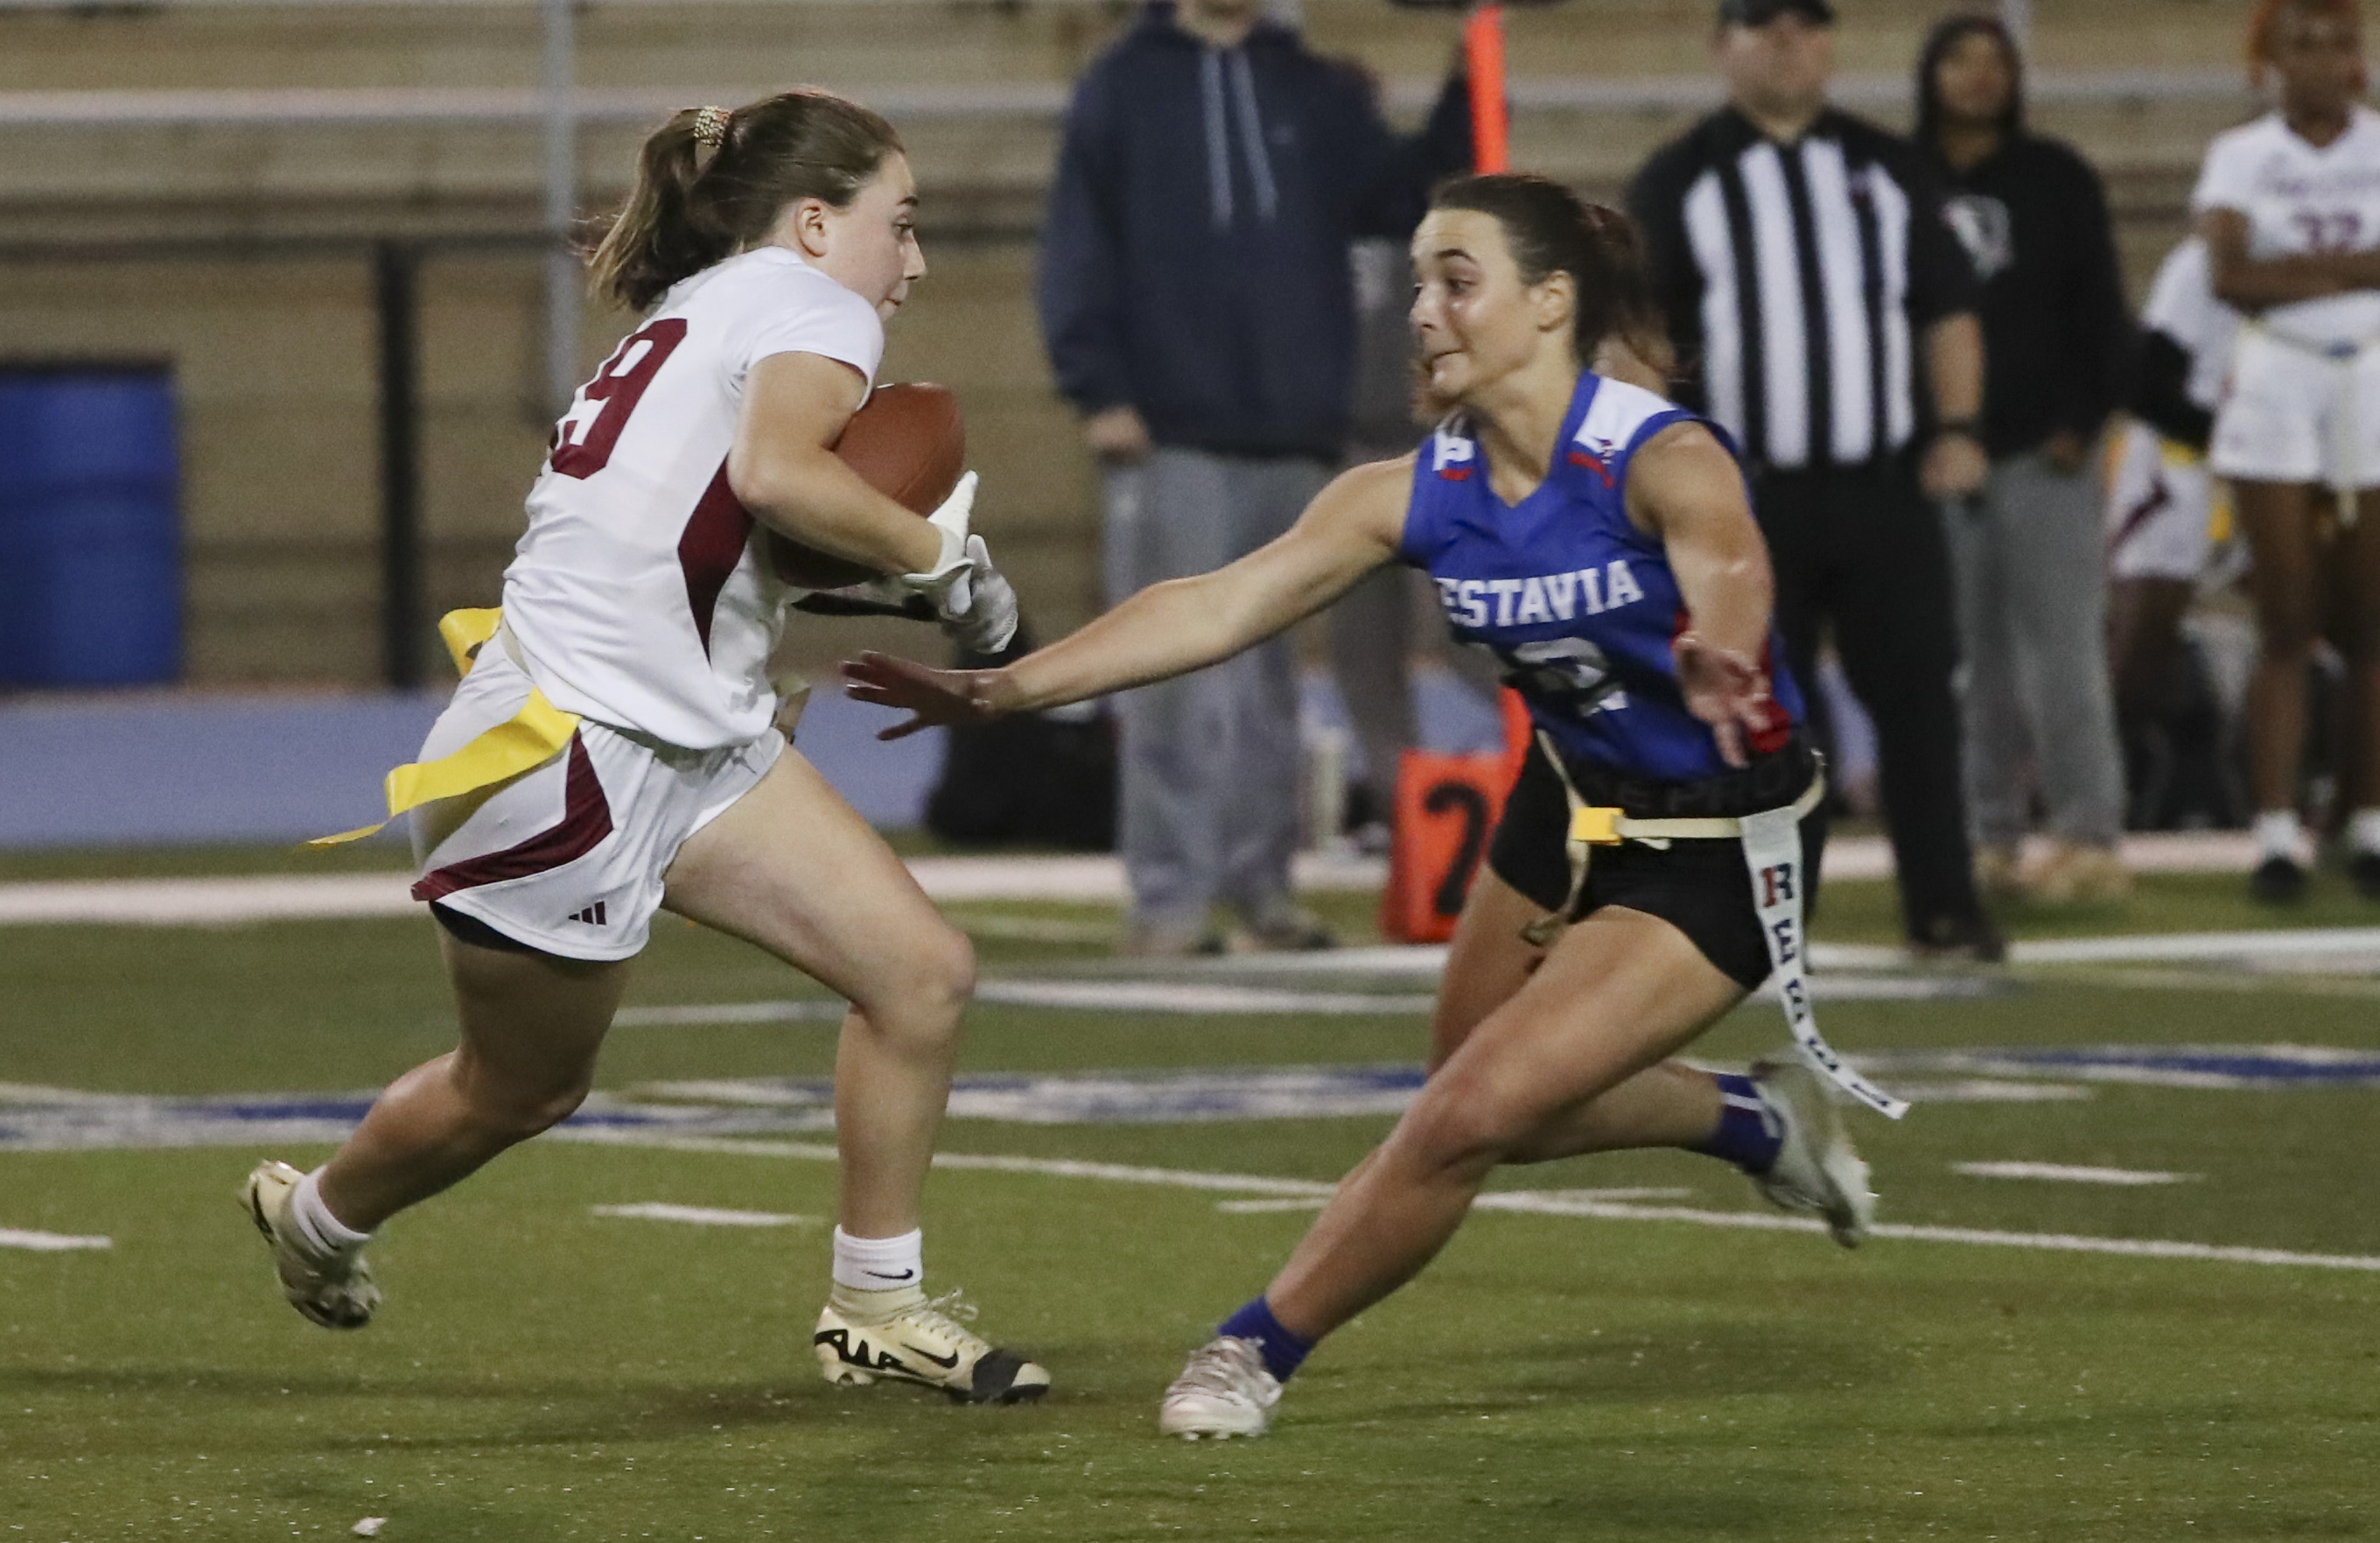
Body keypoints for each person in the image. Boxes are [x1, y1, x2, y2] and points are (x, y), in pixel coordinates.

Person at [848, 172, 1898, 1441]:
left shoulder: (1654, 450)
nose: (1422, 311)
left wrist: (1722, 643)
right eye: (1416, 283)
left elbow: (1727, 554)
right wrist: (1011, 686)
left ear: (1550, 302)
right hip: (1568, 801)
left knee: (1464, 1115)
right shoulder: (1412, 488)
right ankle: (1754, 1117)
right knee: (1479, 1087)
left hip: (1713, 841)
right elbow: (1221, 600)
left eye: (1458, 282)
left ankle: (1255, 1342)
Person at [239, 91, 1051, 1406]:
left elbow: (721, 536)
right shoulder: (810, 304)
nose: (914, 262)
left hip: (673, 732)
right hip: (570, 758)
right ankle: (320, 1217)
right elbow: (784, 479)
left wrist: (888, 576)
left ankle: (876, 1305)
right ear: (810, 223)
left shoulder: (704, 310)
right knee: (517, 1089)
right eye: (898, 225)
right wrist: (944, 559)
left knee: (921, 976)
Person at [1037, 0, 1469, 954]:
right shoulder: (1122, 83)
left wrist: (1464, 80)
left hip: (1293, 433)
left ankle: (1262, 890)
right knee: (1170, 677)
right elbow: (1077, 236)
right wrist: (1094, 383)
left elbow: (1396, 200)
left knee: (1271, 684)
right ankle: (1167, 900)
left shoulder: (1312, 87)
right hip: (1168, 429)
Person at [1626, 0, 2004, 959]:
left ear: (1831, 42)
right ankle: (1756, 921)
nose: (1787, 39)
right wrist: (1659, 463)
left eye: (1805, 20)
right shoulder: (1680, 178)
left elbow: (1945, 308)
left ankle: (1944, 908)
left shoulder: (1885, 165)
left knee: (1919, 699)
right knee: (1751, 716)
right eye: (1761, 22)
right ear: (1722, 47)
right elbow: (1635, 336)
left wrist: (1956, 426)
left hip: (1881, 486)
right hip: (1749, 500)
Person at [1916, 14, 2133, 905]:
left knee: (2063, 655)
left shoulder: (2055, 177)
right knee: (1963, 661)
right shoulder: (1895, 180)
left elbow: (2102, 309)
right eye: (1958, 60)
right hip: (1935, 459)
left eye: (1993, 62)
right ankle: (1985, 836)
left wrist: (2081, 421)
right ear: (1927, 73)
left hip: (2045, 453)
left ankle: (2087, 836)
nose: (1976, 77)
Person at [2194, 0, 2380, 901]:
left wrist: (2292, 280)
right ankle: (2275, 829)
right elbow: (2229, 278)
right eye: (2299, 43)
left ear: (2356, 55)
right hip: (2277, 378)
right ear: (2271, 59)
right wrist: (2353, 269)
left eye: (2335, 42)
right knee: (2284, 616)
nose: (2317, 60)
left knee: (2370, 616)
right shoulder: (2240, 154)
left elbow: (2263, 273)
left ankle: (2368, 816)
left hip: (2369, 372)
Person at [2108, 237, 2245, 823]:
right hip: (2181, 464)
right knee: (2145, 640)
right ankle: (2102, 786)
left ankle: (2295, 798)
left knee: (2315, 624)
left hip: (2277, 465)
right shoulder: (2200, 261)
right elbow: (2146, 383)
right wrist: (2234, 436)